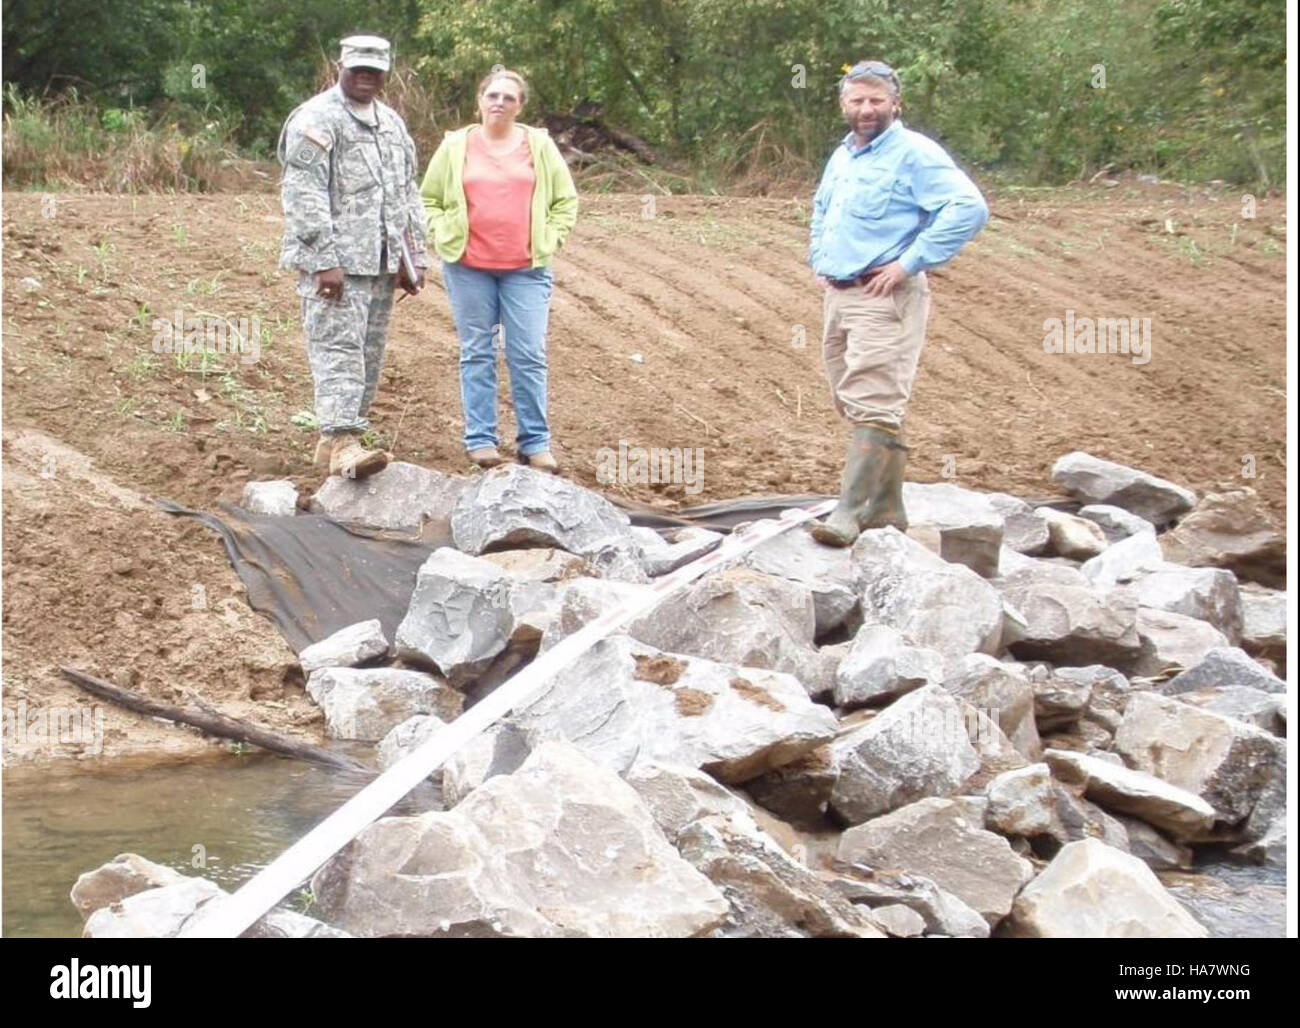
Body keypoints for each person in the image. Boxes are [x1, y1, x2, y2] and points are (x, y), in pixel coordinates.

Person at [808, 59, 988, 546]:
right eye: (857, 101)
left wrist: (909, 263)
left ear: (895, 104)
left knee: (875, 399)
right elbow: (824, 208)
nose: (866, 109)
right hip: (842, 291)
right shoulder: (844, 154)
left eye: (876, 101)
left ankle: (849, 512)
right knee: (855, 396)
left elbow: (969, 207)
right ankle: (887, 508)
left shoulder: (914, 153)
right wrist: (820, 259)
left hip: (884, 293)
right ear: (844, 104)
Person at [277, 34, 429, 479]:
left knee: (368, 354)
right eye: (358, 68)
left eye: (375, 70)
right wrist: (323, 257)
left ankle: (332, 449)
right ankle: (344, 439)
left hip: (380, 263)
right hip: (337, 266)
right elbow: (301, 191)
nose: (366, 77)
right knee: (338, 349)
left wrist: (413, 255)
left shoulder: (392, 124)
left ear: (386, 72)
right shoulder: (316, 119)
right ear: (339, 65)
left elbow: (407, 192)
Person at [420, 68, 578, 472]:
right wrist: (441, 233)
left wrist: (551, 239)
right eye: (492, 95)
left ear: (520, 106)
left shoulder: (538, 145)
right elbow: (429, 198)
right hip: (469, 268)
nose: (499, 103)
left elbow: (565, 200)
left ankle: (535, 443)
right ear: (479, 101)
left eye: (509, 97)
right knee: (478, 352)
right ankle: (481, 441)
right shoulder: (456, 146)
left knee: (527, 353)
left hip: (525, 269)